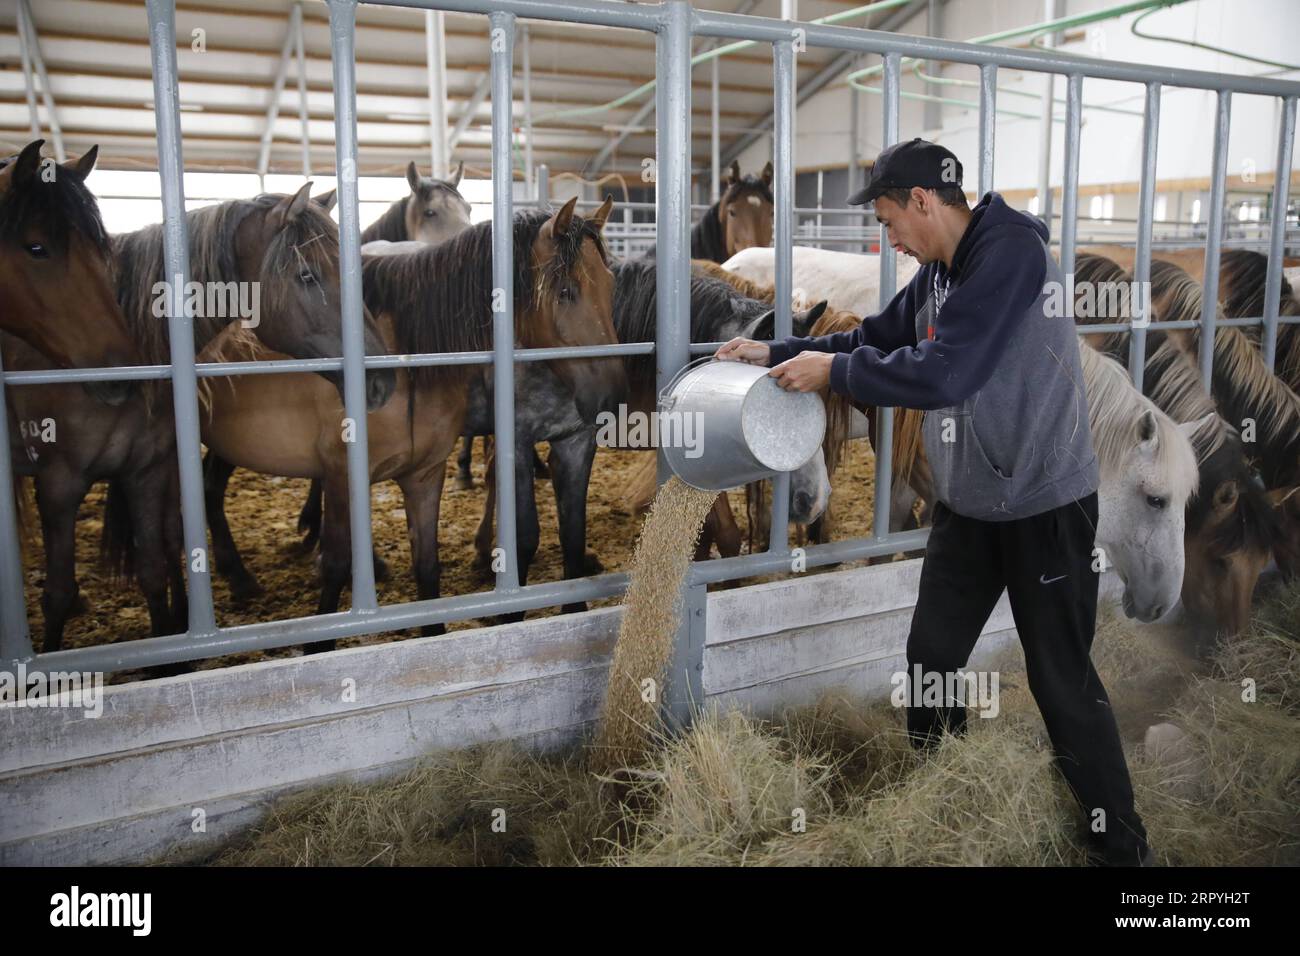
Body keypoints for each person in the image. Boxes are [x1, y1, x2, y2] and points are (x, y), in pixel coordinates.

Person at [714, 138, 1154, 867]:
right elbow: (882, 333)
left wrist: (835, 372)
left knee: (1060, 679)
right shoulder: (940, 271)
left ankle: (1122, 846)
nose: (886, 238)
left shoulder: (1009, 254)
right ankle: (943, 792)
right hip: (971, 502)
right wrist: (782, 350)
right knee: (932, 657)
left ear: (923, 201)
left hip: (1043, 503)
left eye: (888, 221)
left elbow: (947, 370)